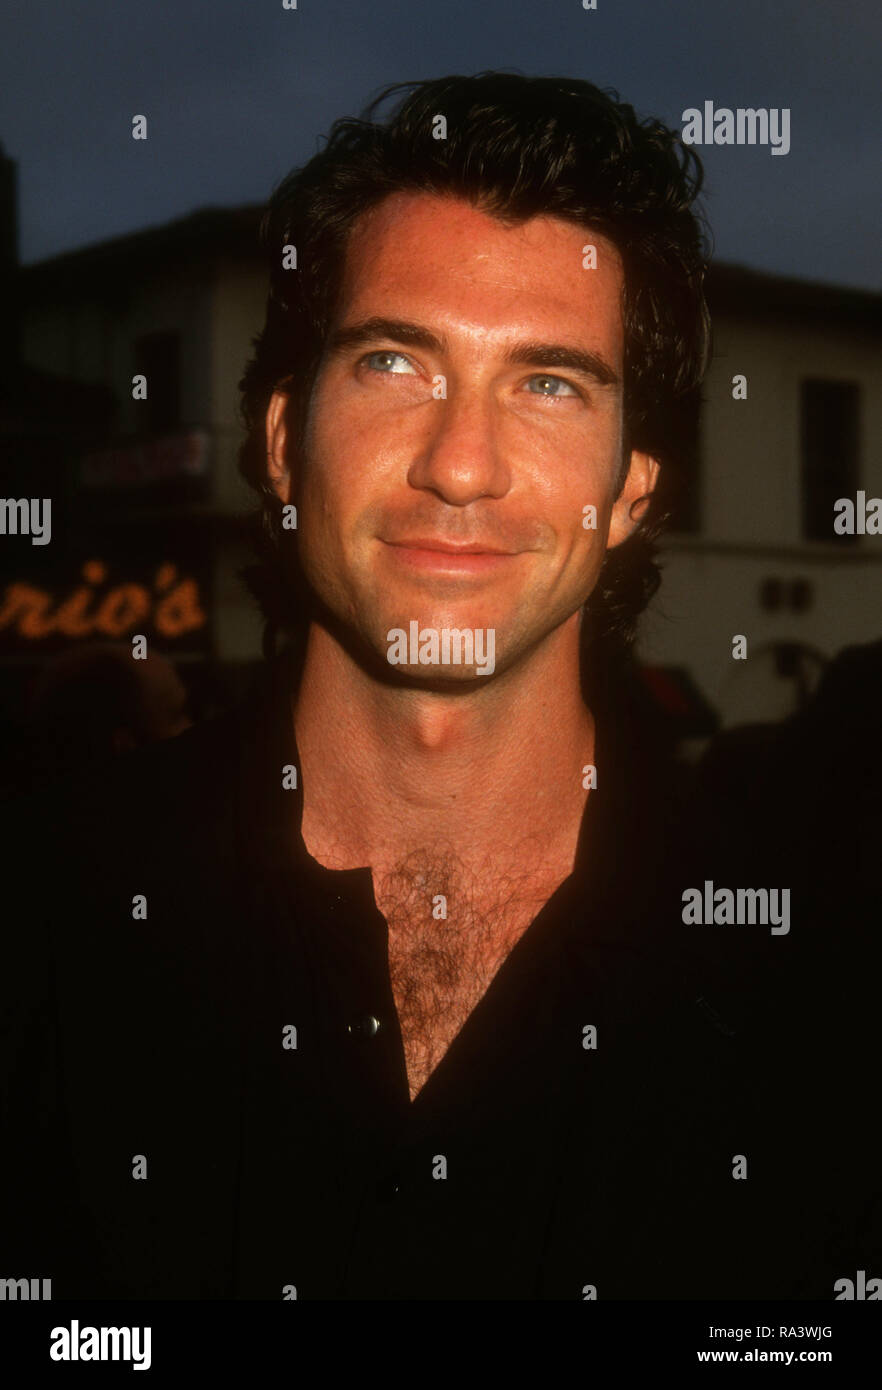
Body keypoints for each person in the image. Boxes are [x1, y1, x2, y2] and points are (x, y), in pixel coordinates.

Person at [0, 72, 876, 1301]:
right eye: (395, 365)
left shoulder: (818, 994)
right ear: (280, 439)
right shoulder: (43, 910)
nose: (462, 464)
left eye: (549, 383)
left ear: (631, 490)